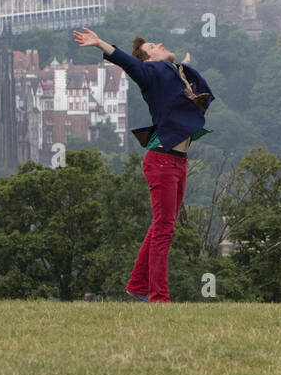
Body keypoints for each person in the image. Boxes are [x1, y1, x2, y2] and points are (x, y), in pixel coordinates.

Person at [73, 27, 213, 302]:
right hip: (162, 161)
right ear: (148, 60)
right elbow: (128, 63)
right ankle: (159, 297)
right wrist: (101, 43)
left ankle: (138, 285)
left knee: (163, 225)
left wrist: (183, 67)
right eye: (153, 46)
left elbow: (185, 95)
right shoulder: (149, 74)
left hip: (177, 160)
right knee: (163, 229)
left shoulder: (169, 74)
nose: (159, 43)